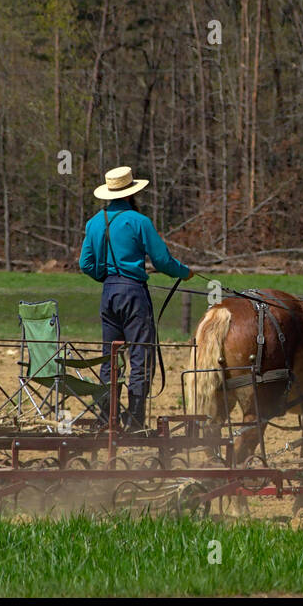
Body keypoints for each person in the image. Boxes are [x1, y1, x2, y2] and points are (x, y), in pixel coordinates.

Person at [79, 166, 194, 429]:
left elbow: (86, 264)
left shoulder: (95, 222)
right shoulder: (139, 221)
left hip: (108, 293)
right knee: (140, 354)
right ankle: (134, 419)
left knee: (110, 356)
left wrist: (107, 276)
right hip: (133, 294)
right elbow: (163, 261)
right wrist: (184, 272)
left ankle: (107, 417)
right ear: (132, 194)